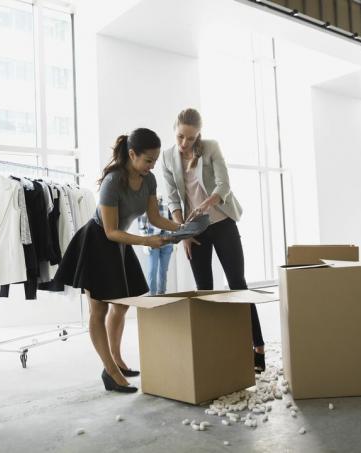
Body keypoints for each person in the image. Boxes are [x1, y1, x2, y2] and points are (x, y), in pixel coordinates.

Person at [53, 128, 179, 393]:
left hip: (120, 242)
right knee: (98, 310)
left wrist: (181, 228)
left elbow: (155, 218)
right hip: (97, 243)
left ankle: (117, 361)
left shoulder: (149, 180)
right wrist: (147, 241)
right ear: (132, 154)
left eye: (155, 161)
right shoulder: (113, 182)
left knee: (121, 306)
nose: (151, 166)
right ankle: (109, 371)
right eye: (147, 160)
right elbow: (110, 232)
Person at [161, 108, 266, 372]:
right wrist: (183, 232)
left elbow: (224, 184)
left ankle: (258, 347)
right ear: (175, 130)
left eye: (191, 138)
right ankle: (210, 349)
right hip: (195, 229)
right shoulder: (166, 157)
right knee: (204, 290)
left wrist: (207, 204)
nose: (185, 143)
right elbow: (173, 198)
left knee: (237, 284)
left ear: (199, 135)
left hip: (222, 223)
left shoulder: (210, 148)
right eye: (180, 137)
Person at [138, 196, 175, 295]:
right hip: (152, 241)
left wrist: (174, 240)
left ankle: (162, 294)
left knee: (164, 270)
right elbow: (142, 227)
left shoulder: (167, 206)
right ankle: (152, 296)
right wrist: (145, 244)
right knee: (152, 270)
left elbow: (172, 223)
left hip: (167, 241)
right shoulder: (144, 208)